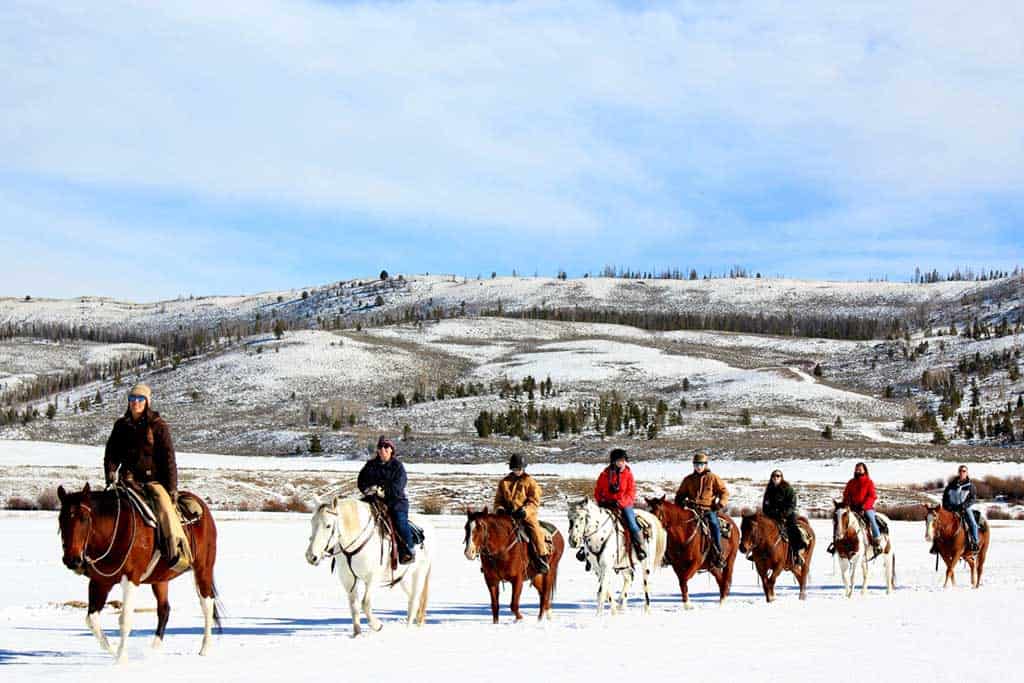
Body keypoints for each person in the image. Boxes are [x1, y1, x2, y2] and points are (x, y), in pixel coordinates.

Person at [104, 383, 191, 572]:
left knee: (165, 509)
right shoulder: (121, 426)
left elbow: (169, 458)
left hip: (153, 481)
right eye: (132, 399)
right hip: (127, 481)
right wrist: (110, 471)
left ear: (147, 402)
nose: (135, 403)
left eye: (140, 399)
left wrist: (172, 488)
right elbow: (111, 452)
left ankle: (177, 551)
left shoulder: (158, 426)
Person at [358, 436, 416, 564]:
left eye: (386, 447)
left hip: (395, 502)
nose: (383, 449)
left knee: (400, 521)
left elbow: (399, 486)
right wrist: (368, 489)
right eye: (380, 447)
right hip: (373, 500)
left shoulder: (398, 467)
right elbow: (361, 481)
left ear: (391, 450)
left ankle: (409, 549)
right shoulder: (370, 465)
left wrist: (384, 491)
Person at [494, 454, 550, 573]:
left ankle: (541, 557)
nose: (517, 471)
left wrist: (525, 511)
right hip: (507, 516)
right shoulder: (504, 482)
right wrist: (499, 509)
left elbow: (534, 501)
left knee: (535, 530)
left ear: (523, 468)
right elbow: (498, 500)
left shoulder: (530, 482)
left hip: (526, 515)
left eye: (519, 468)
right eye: (515, 468)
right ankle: (491, 560)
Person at [675, 452, 729, 567]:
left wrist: (720, 504)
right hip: (692, 510)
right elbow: (680, 494)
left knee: (714, 525)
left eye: (701, 464)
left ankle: (718, 552)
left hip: (708, 509)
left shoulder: (713, 478)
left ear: (705, 465)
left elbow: (724, 492)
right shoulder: (688, 479)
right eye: (696, 464)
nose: (698, 467)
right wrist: (680, 501)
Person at [594, 448, 646, 561]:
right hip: (607, 504)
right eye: (619, 461)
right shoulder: (604, 475)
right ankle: (585, 549)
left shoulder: (628, 475)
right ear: (613, 461)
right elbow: (598, 490)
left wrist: (620, 502)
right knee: (592, 521)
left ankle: (640, 547)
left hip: (624, 505)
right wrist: (600, 500)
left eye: (623, 460)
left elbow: (631, 493)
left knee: (632, 524)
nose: (622, 463)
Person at [762, 469, 806, 566]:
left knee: (792, 528)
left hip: (787, 514)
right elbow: (765, 505)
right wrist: (769, 513)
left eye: (778, 476)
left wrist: (784, 514)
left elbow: (792, 503)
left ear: (781, 477)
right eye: (774, 476)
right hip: (772, 516)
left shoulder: (787, 488)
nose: (775, 478)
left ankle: (798, 551)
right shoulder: (769, 489)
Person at [842, 462, 882, 550]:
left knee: (871, 518)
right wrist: (847, 504)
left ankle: (877, 539)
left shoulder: (869, 482)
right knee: (841, 520)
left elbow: (872, 496)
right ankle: (839, 541)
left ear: (864, 470)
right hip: (852, 508)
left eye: (860, 469)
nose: (858, 471)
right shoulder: (851, 482)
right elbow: (846, 495)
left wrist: (864, 506)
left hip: (866, 508)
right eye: (856, 469)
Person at [943, 465, 979, 551]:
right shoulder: (951, 485)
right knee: (939, 523)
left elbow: (973, 499)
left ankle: (975, 543)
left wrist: (964, 506)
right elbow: (945, 497)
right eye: (960, 471)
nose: (962, 473)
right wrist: (947, 506)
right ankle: (937, 545)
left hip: (964, 508)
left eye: (964, 471)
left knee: (973, 523)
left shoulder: (970, 486)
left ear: (967, 473)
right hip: (951, 509)